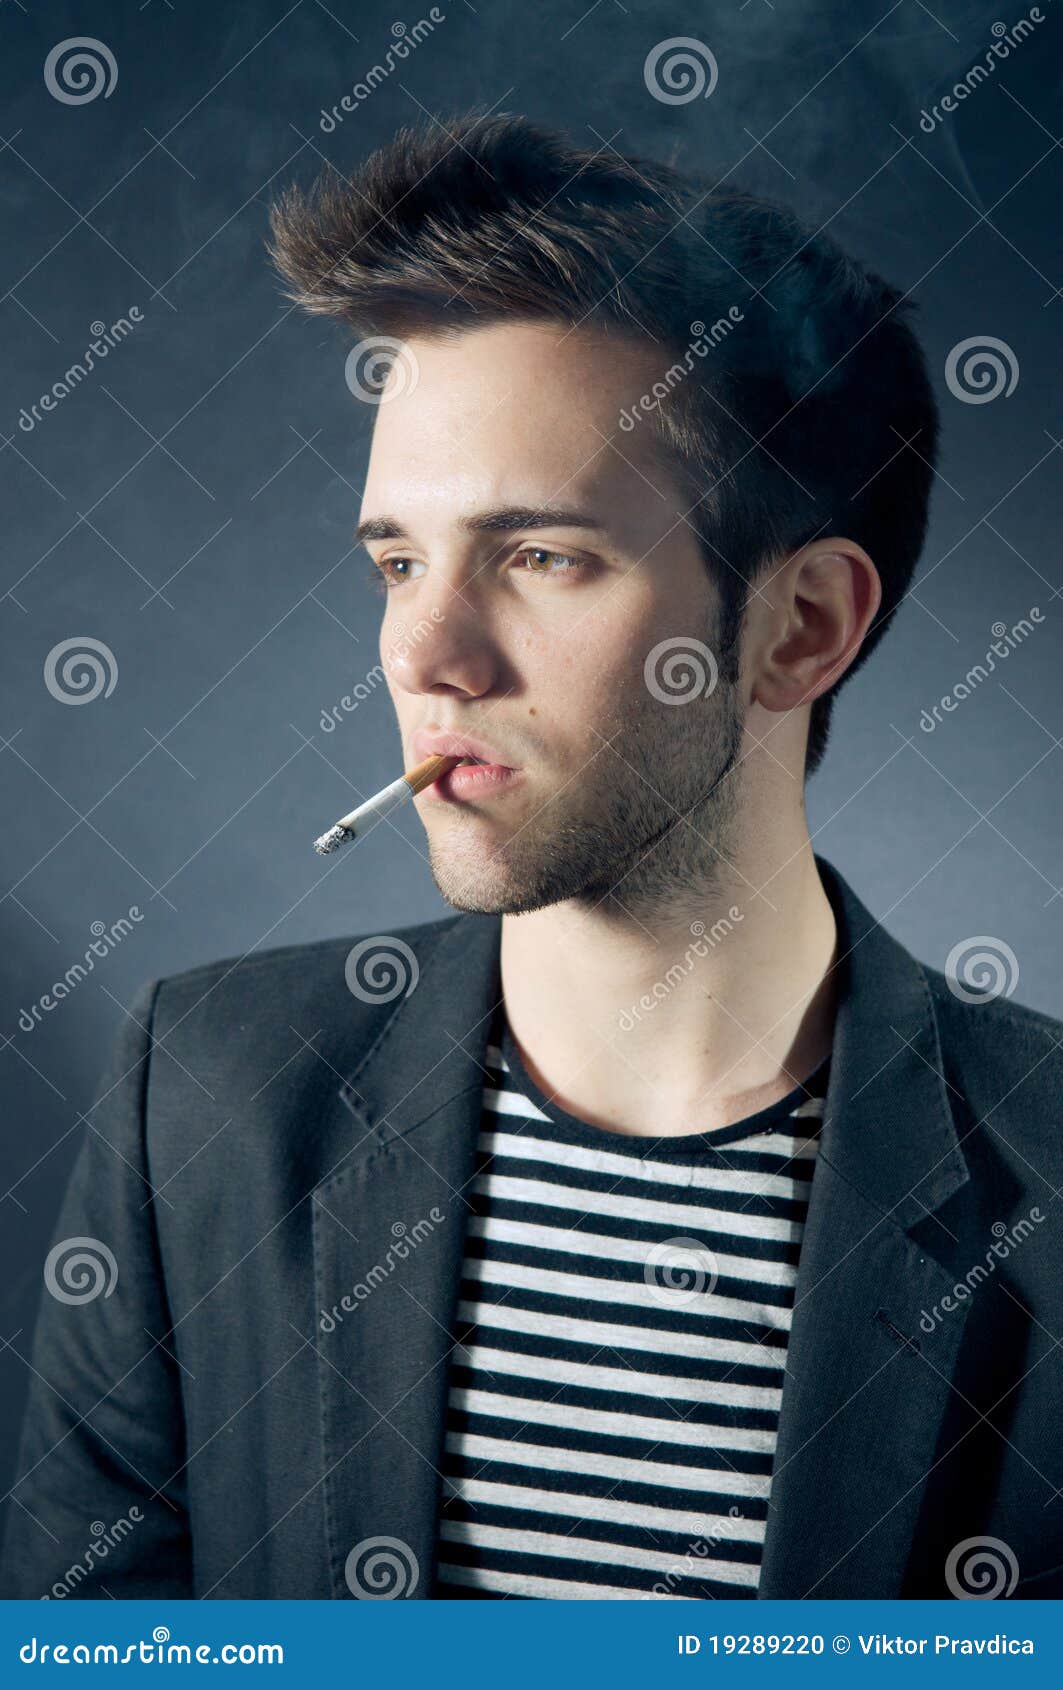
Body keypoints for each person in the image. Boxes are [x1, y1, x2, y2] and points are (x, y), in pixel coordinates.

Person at [4, 110, 1062, 1602]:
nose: (425, 654)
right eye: (397, 562)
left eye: (545, 555)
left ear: (803, 624)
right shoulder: (209, 1099)